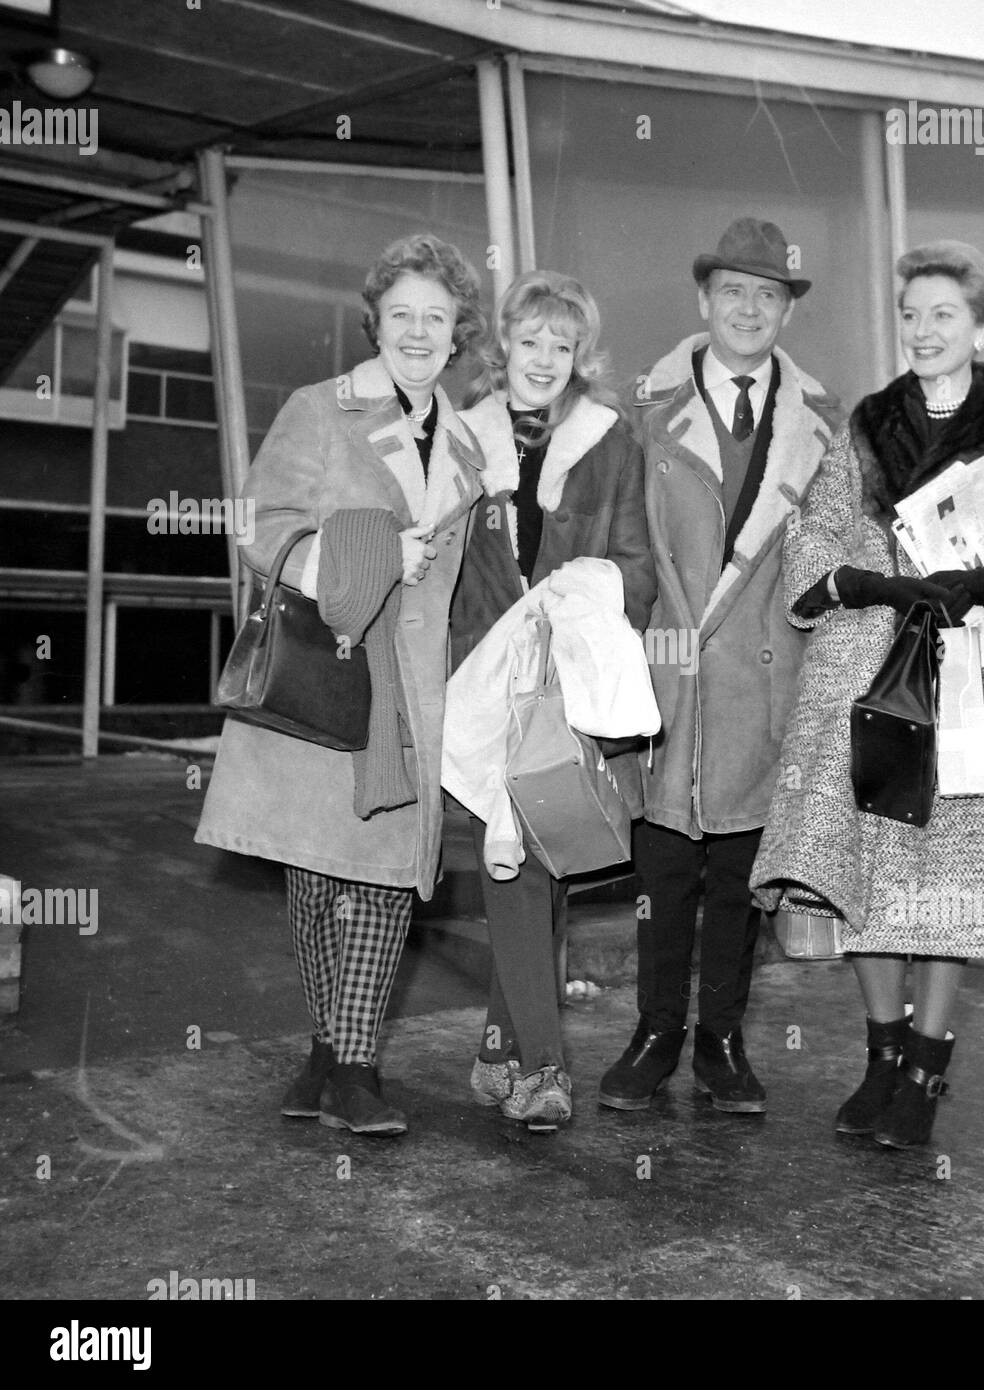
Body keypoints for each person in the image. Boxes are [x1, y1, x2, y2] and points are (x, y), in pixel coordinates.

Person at [751, 240, 984, 1147]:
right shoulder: (863, 430)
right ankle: (881, 1055)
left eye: (943, 313)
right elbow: (816, 530)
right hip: (873, 671)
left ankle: (926, 1069)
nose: (923, 329)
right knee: (870, 872)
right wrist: (856, 583)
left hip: (977, 680)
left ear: (980, 326)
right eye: (910, 313)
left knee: (954, 880)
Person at [196, 232, 487, 1136]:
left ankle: (353, 1065)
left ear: (457, 335)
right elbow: (260, 525)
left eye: (434, 317)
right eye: (400, 313)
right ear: (375, 322)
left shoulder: (472, 445)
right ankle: (328, 1051)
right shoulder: (318, 410)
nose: (416, 331)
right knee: (317, 871)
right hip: (325, 676)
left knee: (386, 875)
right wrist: (363, 554)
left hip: (415, 691)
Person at [597, 218, 841, 1115]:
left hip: (766, 679)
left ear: (785, 312)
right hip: (666, 674)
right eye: (733, 290)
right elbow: (616, 542)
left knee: (741, 873)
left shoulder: (825, 426)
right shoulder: (641, 408)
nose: (749, 308)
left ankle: (723, 1042)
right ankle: (654, 1033)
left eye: (767, 294)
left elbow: (832, 556)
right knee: (662, 873)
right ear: (703, 301)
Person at [452, 269, 655, 1131]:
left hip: (564, 678)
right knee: (517, 862)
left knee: (543, 859)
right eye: (529, 340)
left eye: (560, 344)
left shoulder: (610, 440)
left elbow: (637, 567)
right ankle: (540, 1064)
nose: (543, 358)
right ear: (504, 345)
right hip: (478, 678)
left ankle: (503, 1046)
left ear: (581, 355)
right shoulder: (462, 440)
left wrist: (577, 592)